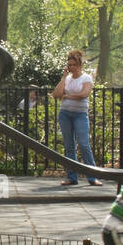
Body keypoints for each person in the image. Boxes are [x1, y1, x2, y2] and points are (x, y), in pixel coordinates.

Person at [52, 49, 100, 187]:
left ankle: (93, 177)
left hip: (80, 115)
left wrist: (68, 96)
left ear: (79, 65)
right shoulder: (67, 79)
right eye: (69, 65)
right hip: (65, 114)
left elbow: (84, 94)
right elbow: (56, 94)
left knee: (84, 144)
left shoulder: (86, 78)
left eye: (73, 64)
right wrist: (63, 78)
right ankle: (72, 177)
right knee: (69, 146)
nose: (70, 67)